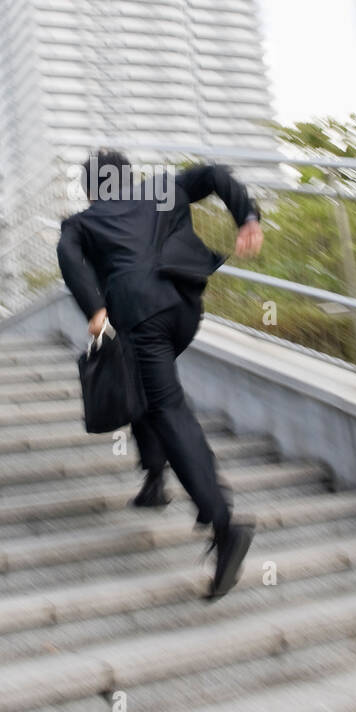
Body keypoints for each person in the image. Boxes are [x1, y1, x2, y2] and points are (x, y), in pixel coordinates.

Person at [57, 150, 264, 599]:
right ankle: (154, 480)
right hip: (183, 309)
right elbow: (213, 171)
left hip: (141, 318)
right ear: (131, 178)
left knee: (167, 407)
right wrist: (246, 217)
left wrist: (94, 308)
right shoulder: (162, 190)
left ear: (91, 189)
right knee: (143, 385)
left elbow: (69, 259)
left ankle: (225, 527)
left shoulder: (82, 223)